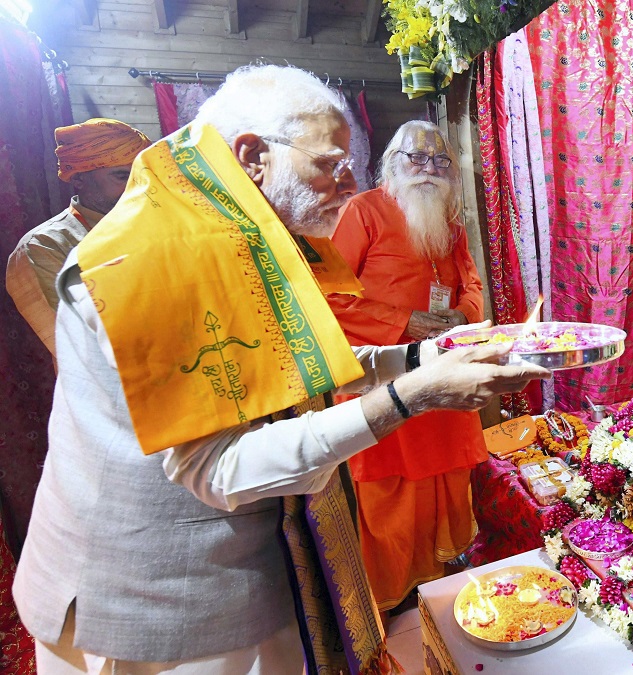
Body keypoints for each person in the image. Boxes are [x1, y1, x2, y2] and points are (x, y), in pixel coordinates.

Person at [12, 65, 548, 675]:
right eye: (329, 164)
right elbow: (218, 468)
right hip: (159, 597)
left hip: (248, 562)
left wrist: (423, 357)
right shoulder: (157, 258)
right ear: (253, 156)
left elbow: (302, 361)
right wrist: (409, 395)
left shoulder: (240, 228)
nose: (349, 185)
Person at [326, 120, 489, 614]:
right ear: (392, 163)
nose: (429, 169)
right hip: (385, 379)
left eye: (440, 160)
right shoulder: (363, 211)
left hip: (443, 373)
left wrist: (464, 315)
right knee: (392, 494)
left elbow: (472, 286)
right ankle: (390, 598)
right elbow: (327, 297)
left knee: (446, 484)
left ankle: (441, 577)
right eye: (416, 158)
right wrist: (402, 321)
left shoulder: (449, 219)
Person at [5, 118, 150, 356]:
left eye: (143, 175)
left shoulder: (157, 225)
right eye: (123, 176)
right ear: (79, 179)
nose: (139, 186)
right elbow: (82, 349)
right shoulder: (43, 246)